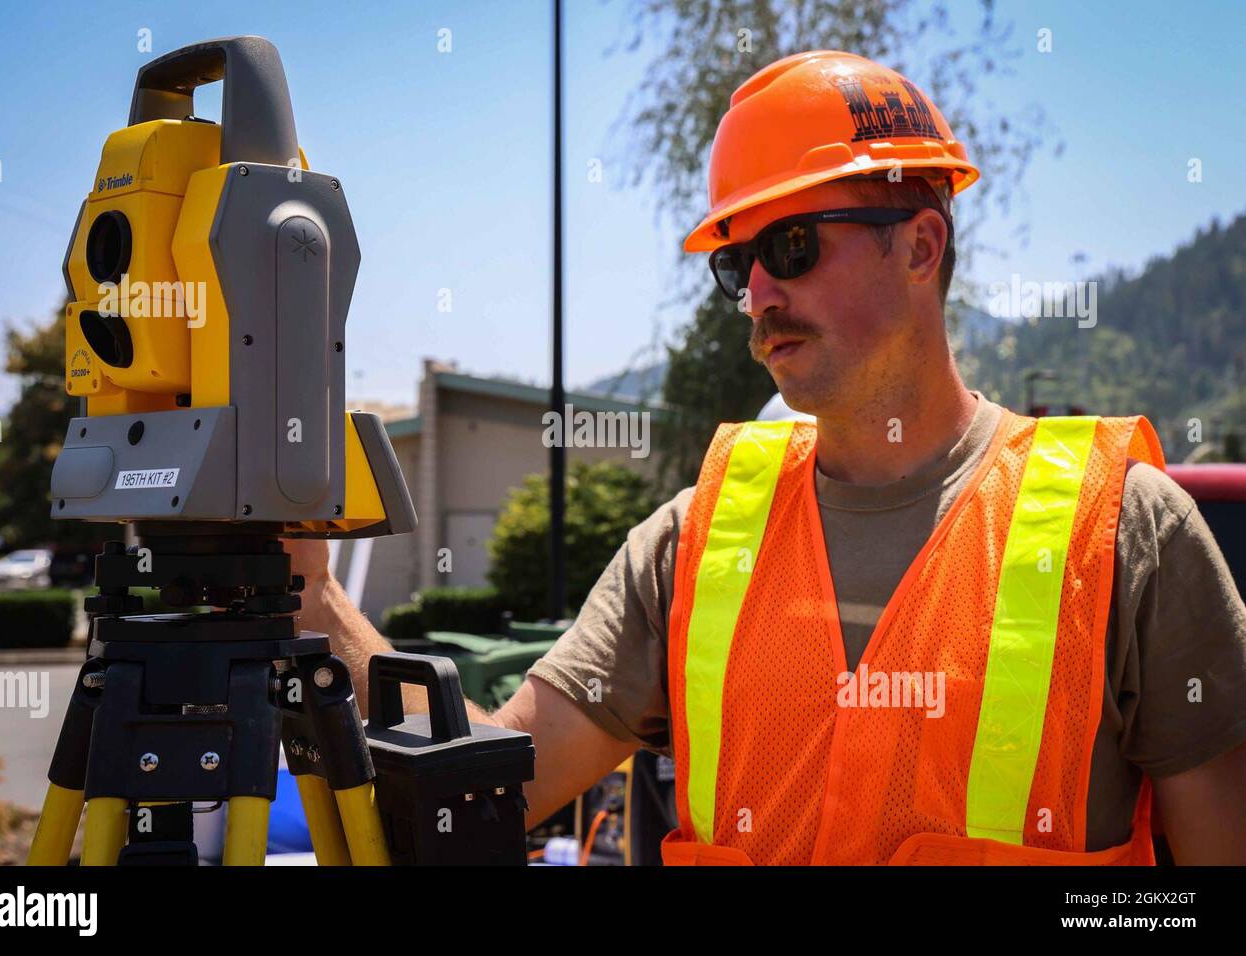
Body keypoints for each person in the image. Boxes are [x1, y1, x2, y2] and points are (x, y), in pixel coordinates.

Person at [287, 51, 1246, 865]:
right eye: (733, 264)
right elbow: (483, 788)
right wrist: (315, 601)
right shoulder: (697, 541)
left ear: (920, 247)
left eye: (788, 246)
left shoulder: (1125, 532)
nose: (756, 295)